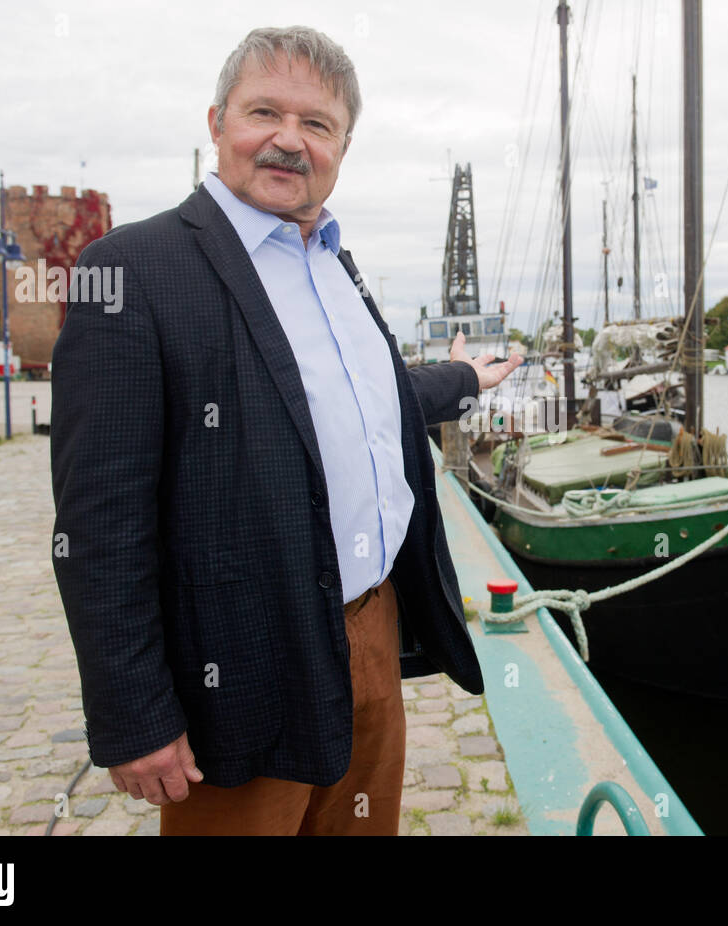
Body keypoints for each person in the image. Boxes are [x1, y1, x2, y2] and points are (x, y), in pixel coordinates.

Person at [50, 25, 522, 836]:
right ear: (216, 122)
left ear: (343, 144)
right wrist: (134, 715)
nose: (287, 140)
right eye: (264, 111)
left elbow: (356, 397)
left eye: (317, 123)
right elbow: (99, 524)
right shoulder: (131, 271)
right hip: (242, 656)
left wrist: (464, 380)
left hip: (371, 630)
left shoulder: (334, 263)